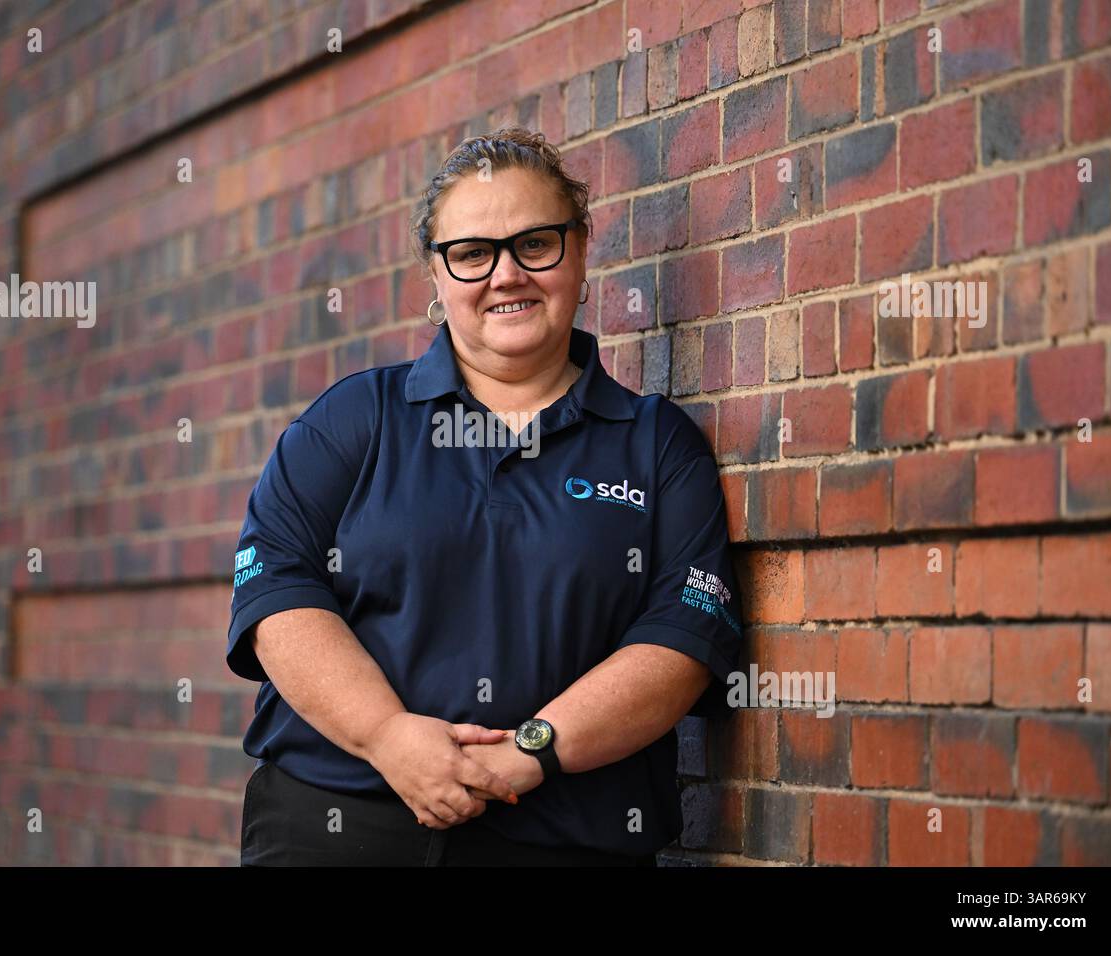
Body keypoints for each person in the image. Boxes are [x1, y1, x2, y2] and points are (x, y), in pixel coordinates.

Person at [226, 126, 745, 866]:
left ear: (581, 249)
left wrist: (528, 753)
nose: (506, 276)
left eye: (536, 243)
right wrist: (389, 737)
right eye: (472, 255)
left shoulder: (658, 448)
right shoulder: (351, 424)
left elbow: (681, 642)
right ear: (436, 279)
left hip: (562, 839)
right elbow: (276, 593)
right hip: (338, 831)